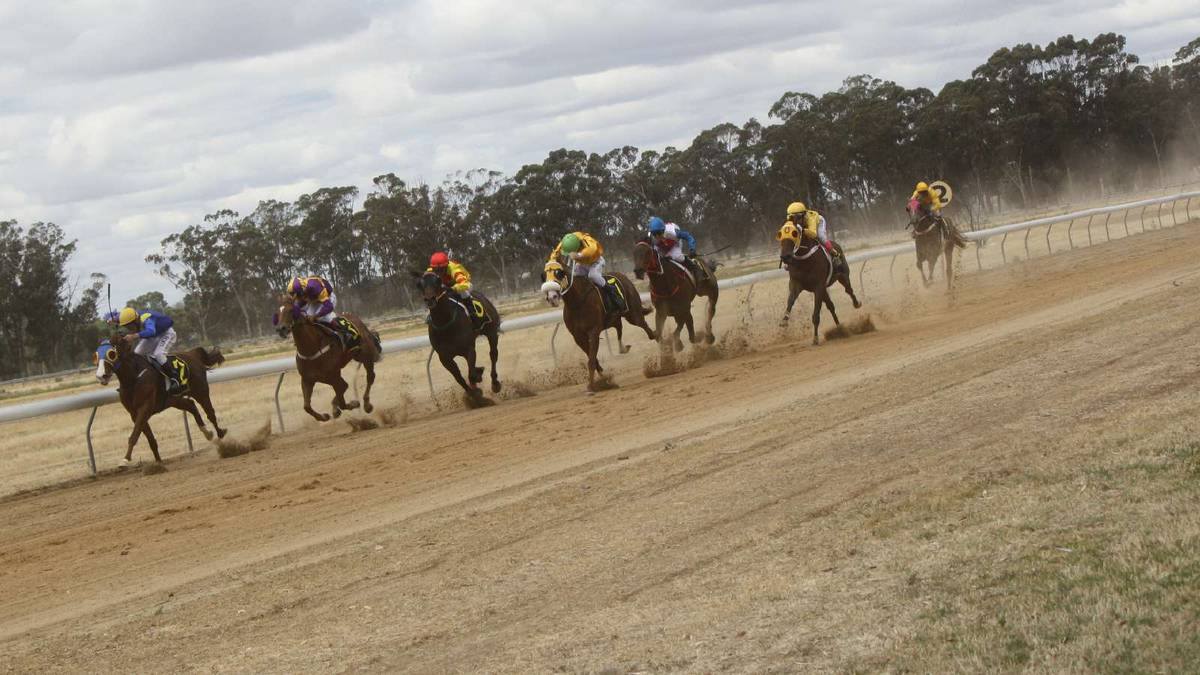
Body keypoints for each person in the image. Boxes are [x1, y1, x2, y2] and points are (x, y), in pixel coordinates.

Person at [548, 231, 625, 313]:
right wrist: (552, 260)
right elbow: (555, 253)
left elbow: (592, 249)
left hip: (596, 262)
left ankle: (612, 291)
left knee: (592, 275)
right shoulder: (566, 242)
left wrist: (579, 255)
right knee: (572, 276)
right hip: (582, 264)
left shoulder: (587, 240)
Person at [117, 307, 182, 395]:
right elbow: (118, 316)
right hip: (154, 336)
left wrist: (134, 336)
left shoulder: (146, 318)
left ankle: (175, 378)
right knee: (137, 353)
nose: (129, 329)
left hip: (167, 334)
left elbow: (151, 331)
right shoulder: (133, 316)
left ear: (135, 321)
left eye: (130, 326)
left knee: (158, 354)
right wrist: (112, 320)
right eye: (127, 327)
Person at [288, 276, 356, 347]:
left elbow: (328, 307)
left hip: (328, 298)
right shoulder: (301, 290)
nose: (298, 298)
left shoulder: (314, 287)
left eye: (298, 295)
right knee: (306, 317)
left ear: (302, 290)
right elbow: (300, 305)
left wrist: (316, 316)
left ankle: (345, 333)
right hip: (314, 301)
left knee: (324, 317)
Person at [426, 252, 483, 328]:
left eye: (441, 270)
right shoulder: (430, 271)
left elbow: (464, 284)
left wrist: (453, 288)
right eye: (436, 270)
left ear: (446, 266)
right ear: (432, 268)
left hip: (463, 283)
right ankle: (431, 315)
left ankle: (473, 314)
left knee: (464, 293)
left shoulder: (455, 269)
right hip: (446, 285)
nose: (438, 273)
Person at [647, 216, 708, 282]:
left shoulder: (673, 232)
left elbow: (688, 237)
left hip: (674, 243)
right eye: (654, 234)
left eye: (659, 233)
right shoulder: (651, 238)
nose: (657, 236)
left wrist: (692, 249)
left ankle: (695, 268)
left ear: (663, 230)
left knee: (678, 257)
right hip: (661, 247)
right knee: (659, 260)